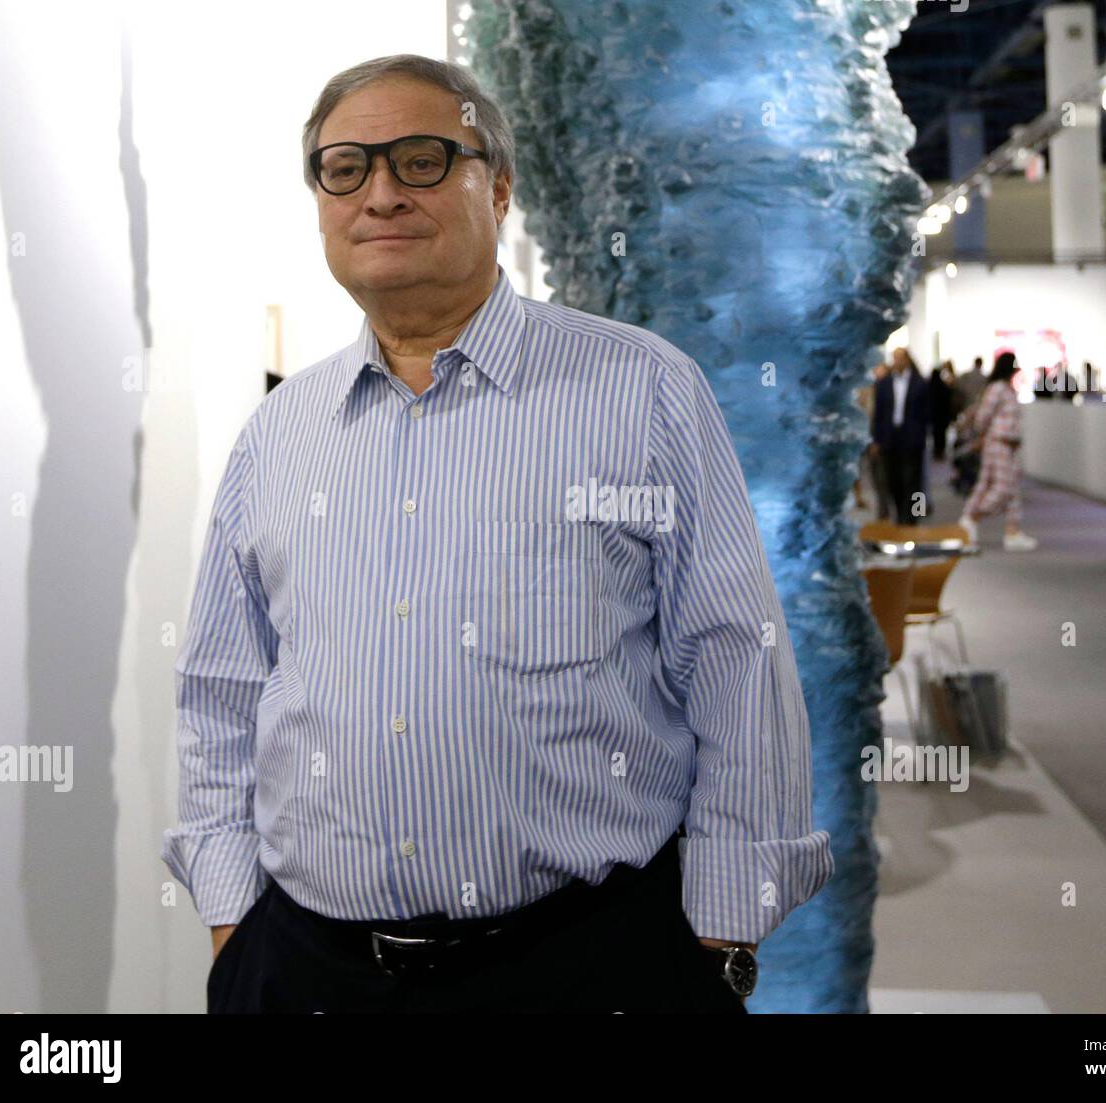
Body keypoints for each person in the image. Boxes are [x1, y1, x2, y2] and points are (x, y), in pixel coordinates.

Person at [162, 54, 832, 1014]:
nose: (382, 193)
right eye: (344, 168)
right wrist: (233, 921)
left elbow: (735, 661)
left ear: (500, 186)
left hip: (583, 966)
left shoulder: (641, 391)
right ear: (320, 202)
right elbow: (223, 690)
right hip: (311, 970)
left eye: (424, 159)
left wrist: (714, 942)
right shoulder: (279, 431)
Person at [958, 353, 1038, 551]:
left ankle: (1012, 531)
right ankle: (972, 516)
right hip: (998, 444)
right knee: (1000, 488)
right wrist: (981, 434)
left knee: (1010, 490)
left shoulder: (1008, 389)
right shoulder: (997, 389)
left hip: (1008, 444)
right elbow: (984, 415)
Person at [871, 347, 930, 524]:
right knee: (892, 479)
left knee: (914, 480)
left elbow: (927, 412)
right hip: (891, 437)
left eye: (900, 359)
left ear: (907, 360)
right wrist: (876, 439)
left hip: (912, 437)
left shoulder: (920, 383)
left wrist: (922, 433)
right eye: (894, 359)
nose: (897, 362)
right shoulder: (884, 384)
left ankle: (914, 516)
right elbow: (879, 414)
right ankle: (899, 513)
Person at [928, 359, 956, 460]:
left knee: (937, 434)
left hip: (936, 415)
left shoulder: (931, 387)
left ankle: (937, 452)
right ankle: (940, 451)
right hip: (942, 415)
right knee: (941, 434)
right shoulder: (943, 387)